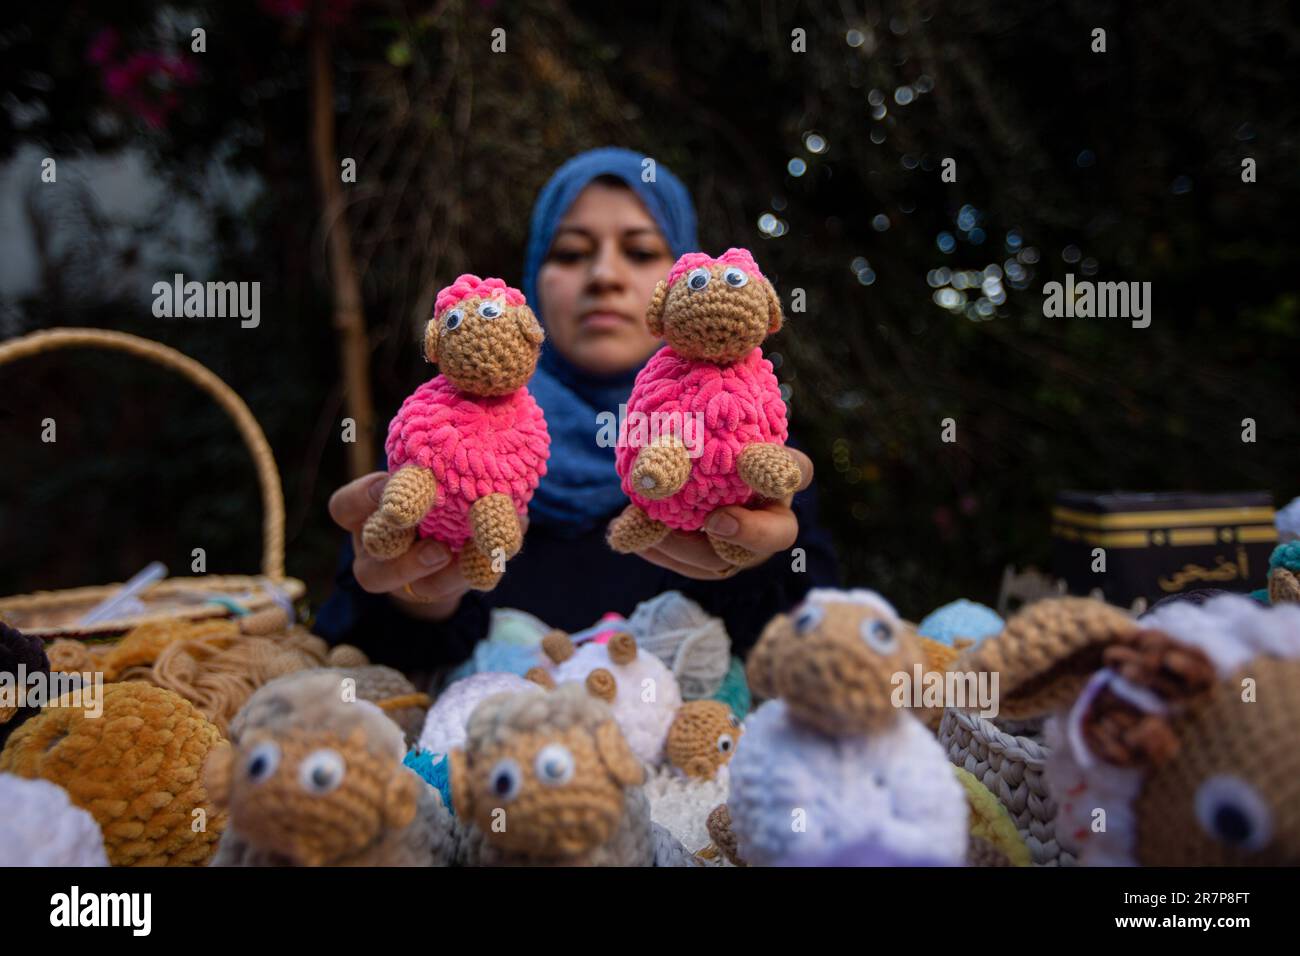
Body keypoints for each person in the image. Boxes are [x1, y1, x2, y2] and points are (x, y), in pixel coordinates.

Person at [315, 147, 838, 676]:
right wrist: (417, 588)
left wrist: (750, 560)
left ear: (679, 276)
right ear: (533, 284)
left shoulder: (760, 457)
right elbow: (360, 654)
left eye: (639, 251)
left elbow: (817, 652)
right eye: (569, 253)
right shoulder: (438, 433)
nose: (604, 276)